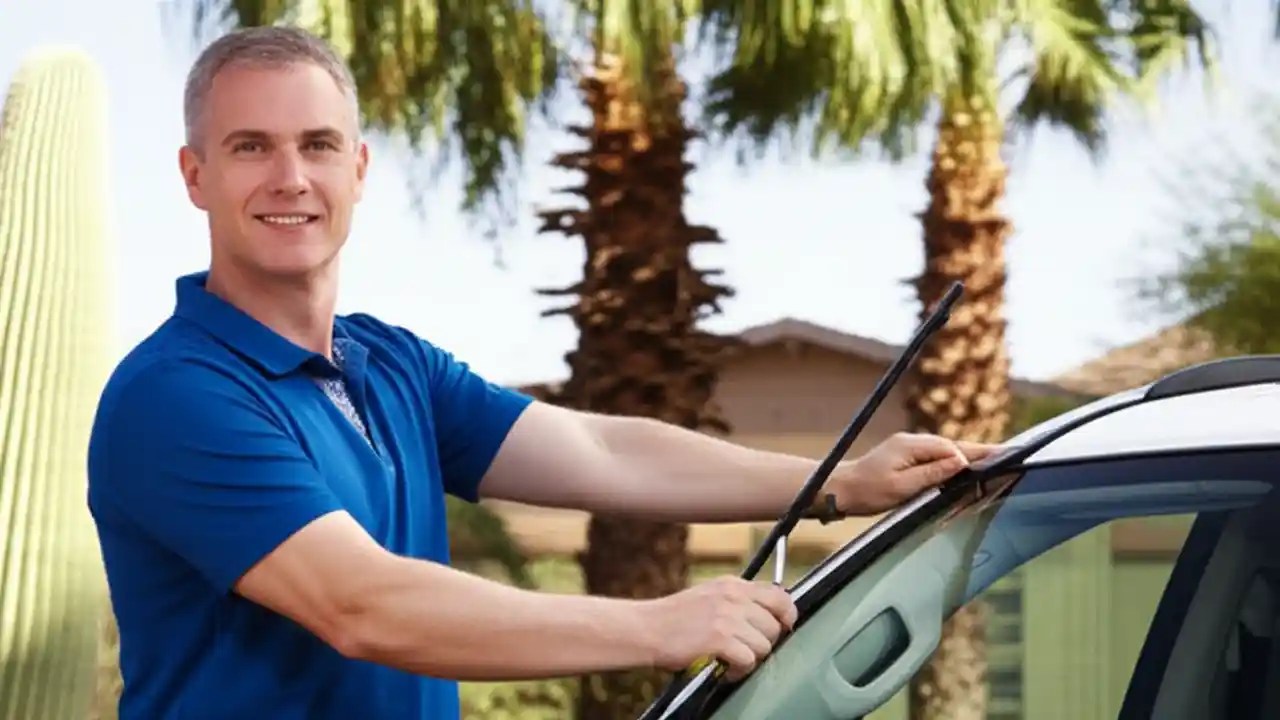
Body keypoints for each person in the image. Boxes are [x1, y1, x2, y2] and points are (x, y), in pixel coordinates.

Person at [86, 24, 998, 720]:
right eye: (252, 147)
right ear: (194, 175)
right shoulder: (178, 394)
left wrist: (839, 482)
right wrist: (659, 623)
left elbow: (601, 452)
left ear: (357, 169)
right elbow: (361, 605)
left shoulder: (385, 362)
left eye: (318, 145)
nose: (291, 176)